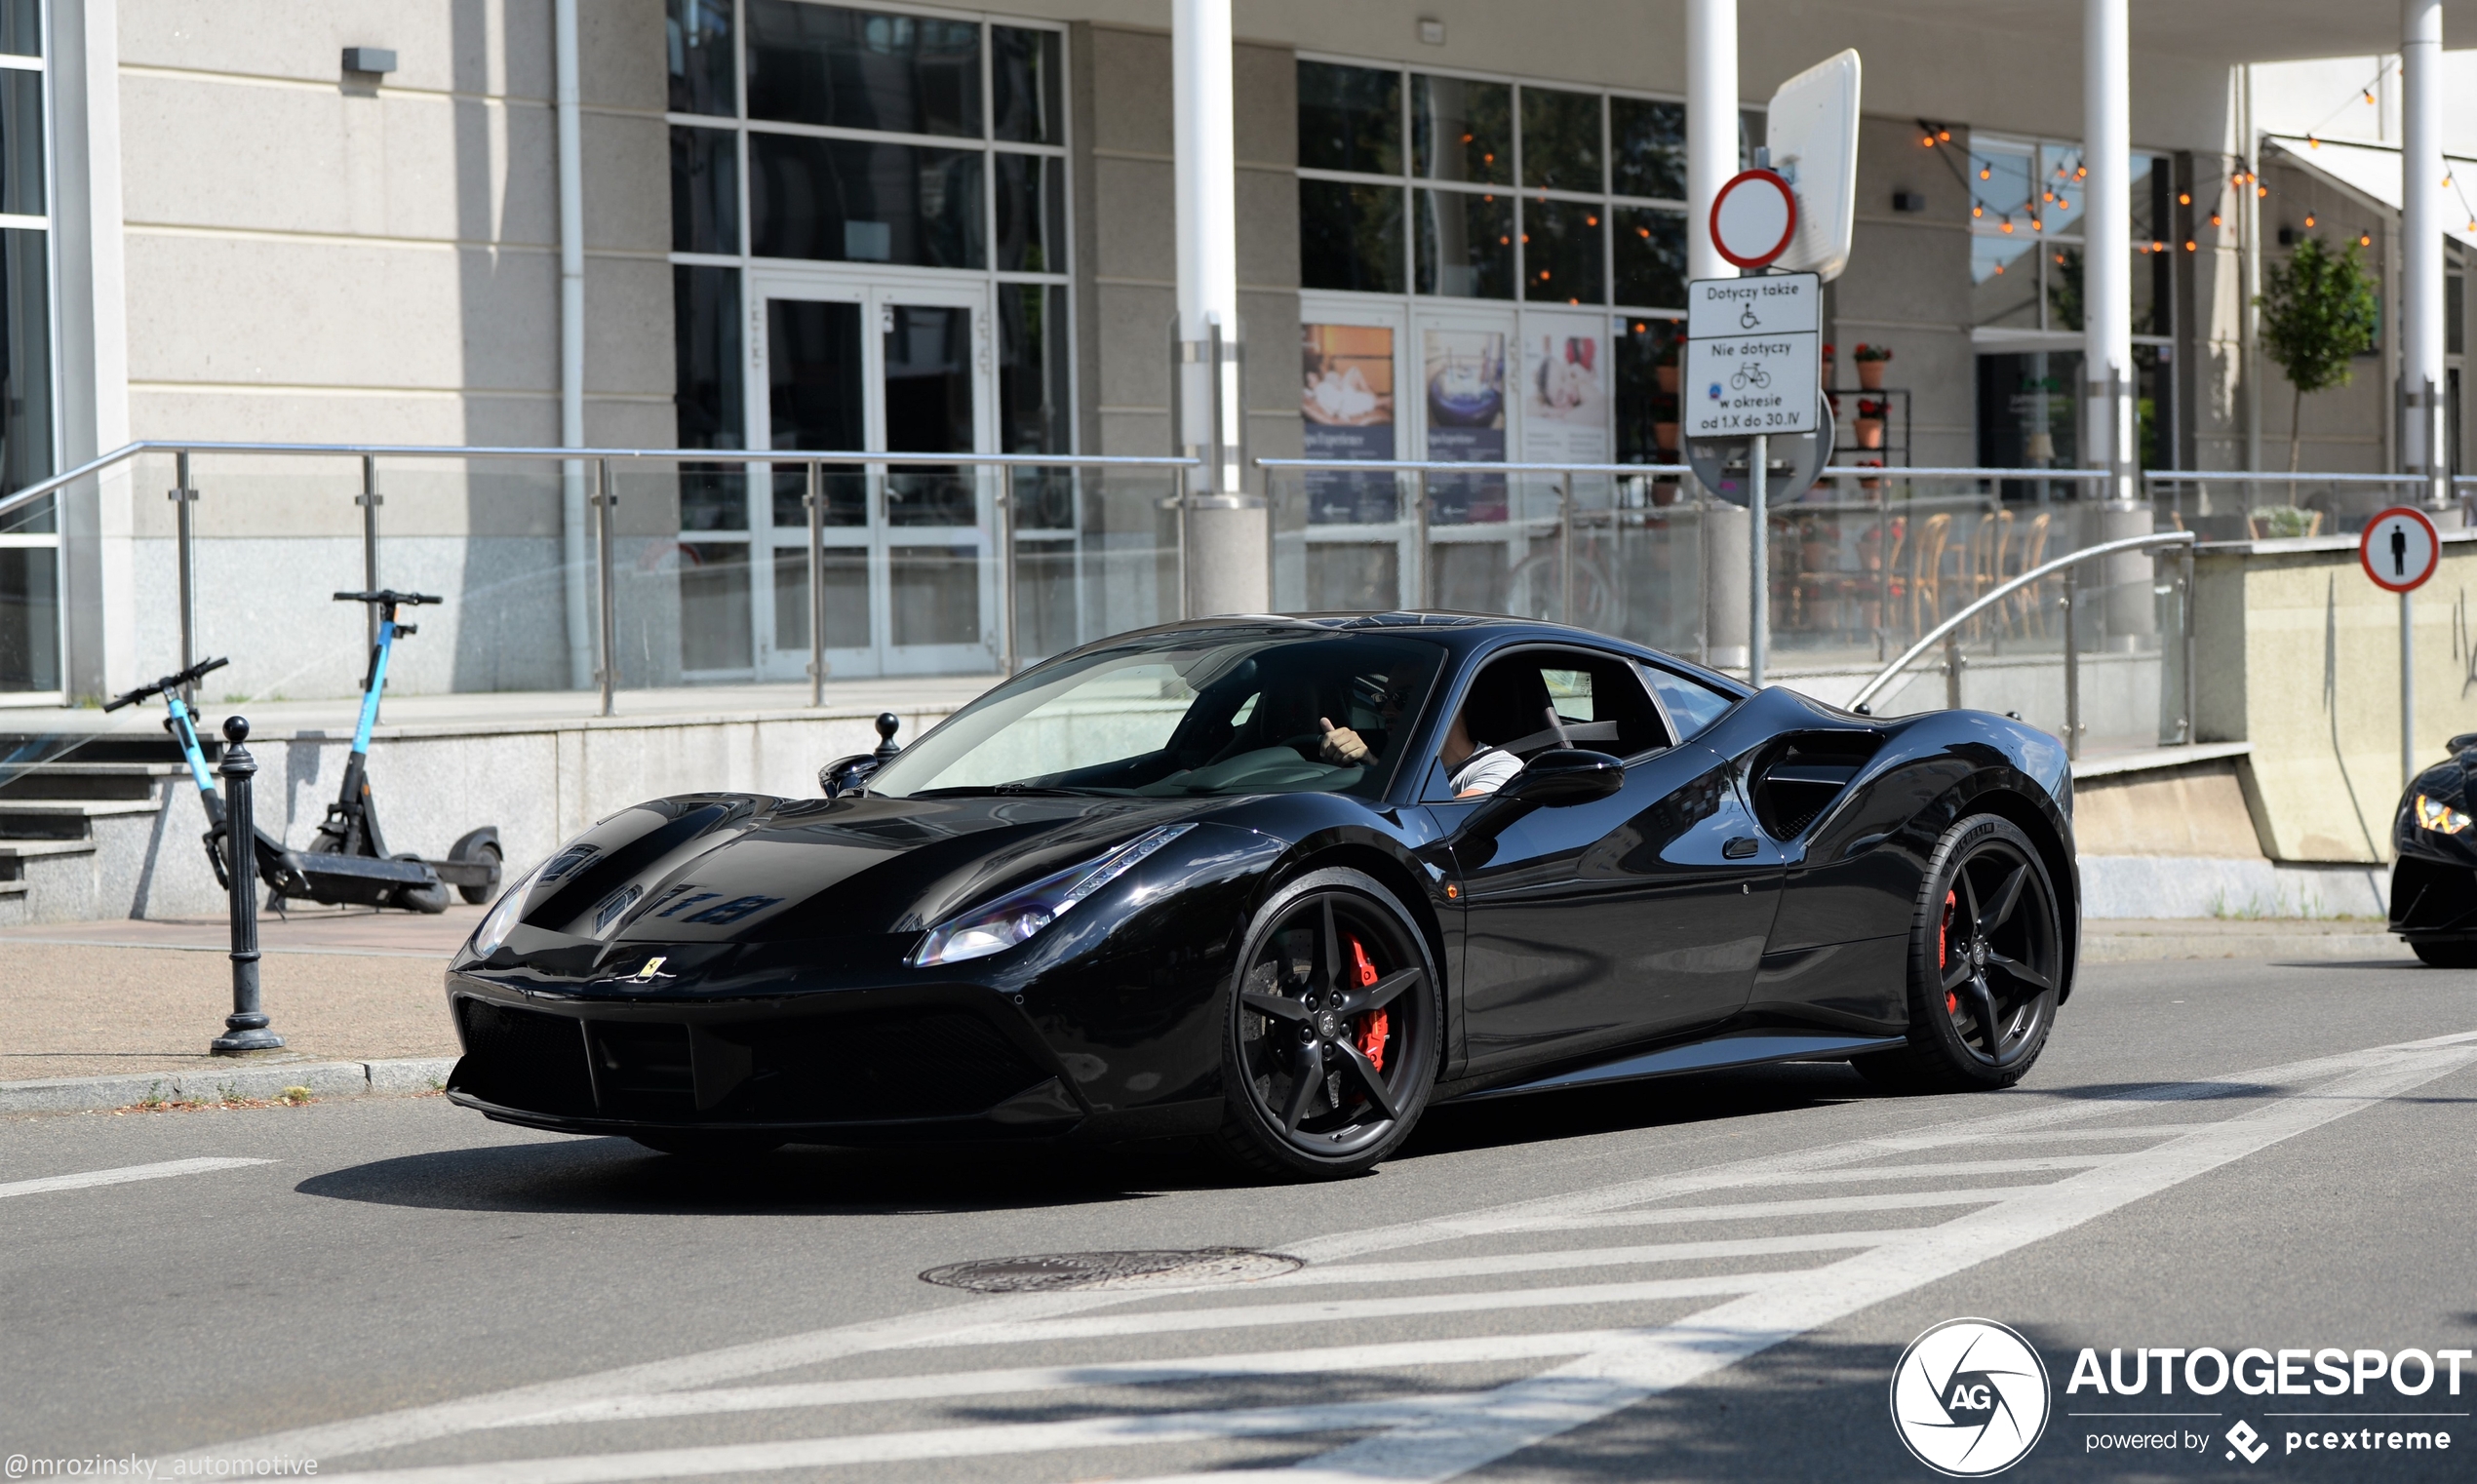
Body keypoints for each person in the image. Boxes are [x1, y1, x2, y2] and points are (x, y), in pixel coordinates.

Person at [1318, 662, 1520, 798]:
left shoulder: (1500, 767)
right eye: (1384, 698)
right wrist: (1367, 762)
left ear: (1450, 703)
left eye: (1402, 698)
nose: (1387, 710)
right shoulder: (1403, 766)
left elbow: (1448, 829)